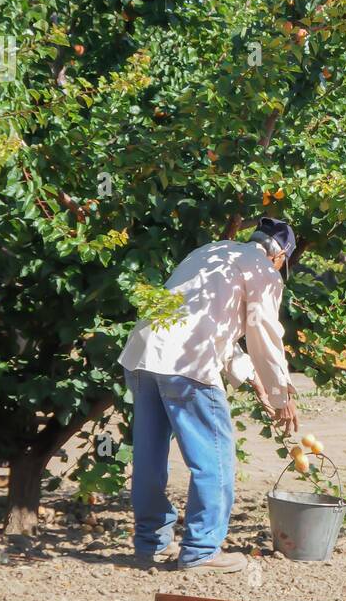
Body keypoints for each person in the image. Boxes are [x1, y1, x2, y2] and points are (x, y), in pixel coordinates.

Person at [119, 217, 299, 572]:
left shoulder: (210, 252)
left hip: (144, 357)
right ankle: (202, 550)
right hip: (188, 365)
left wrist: (254, 381)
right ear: (279, 257)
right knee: (213, 458)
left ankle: (150, 545)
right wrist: (281, 395)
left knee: (149, 457)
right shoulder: (263, 270)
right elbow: (263, 333)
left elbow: (207, 325)